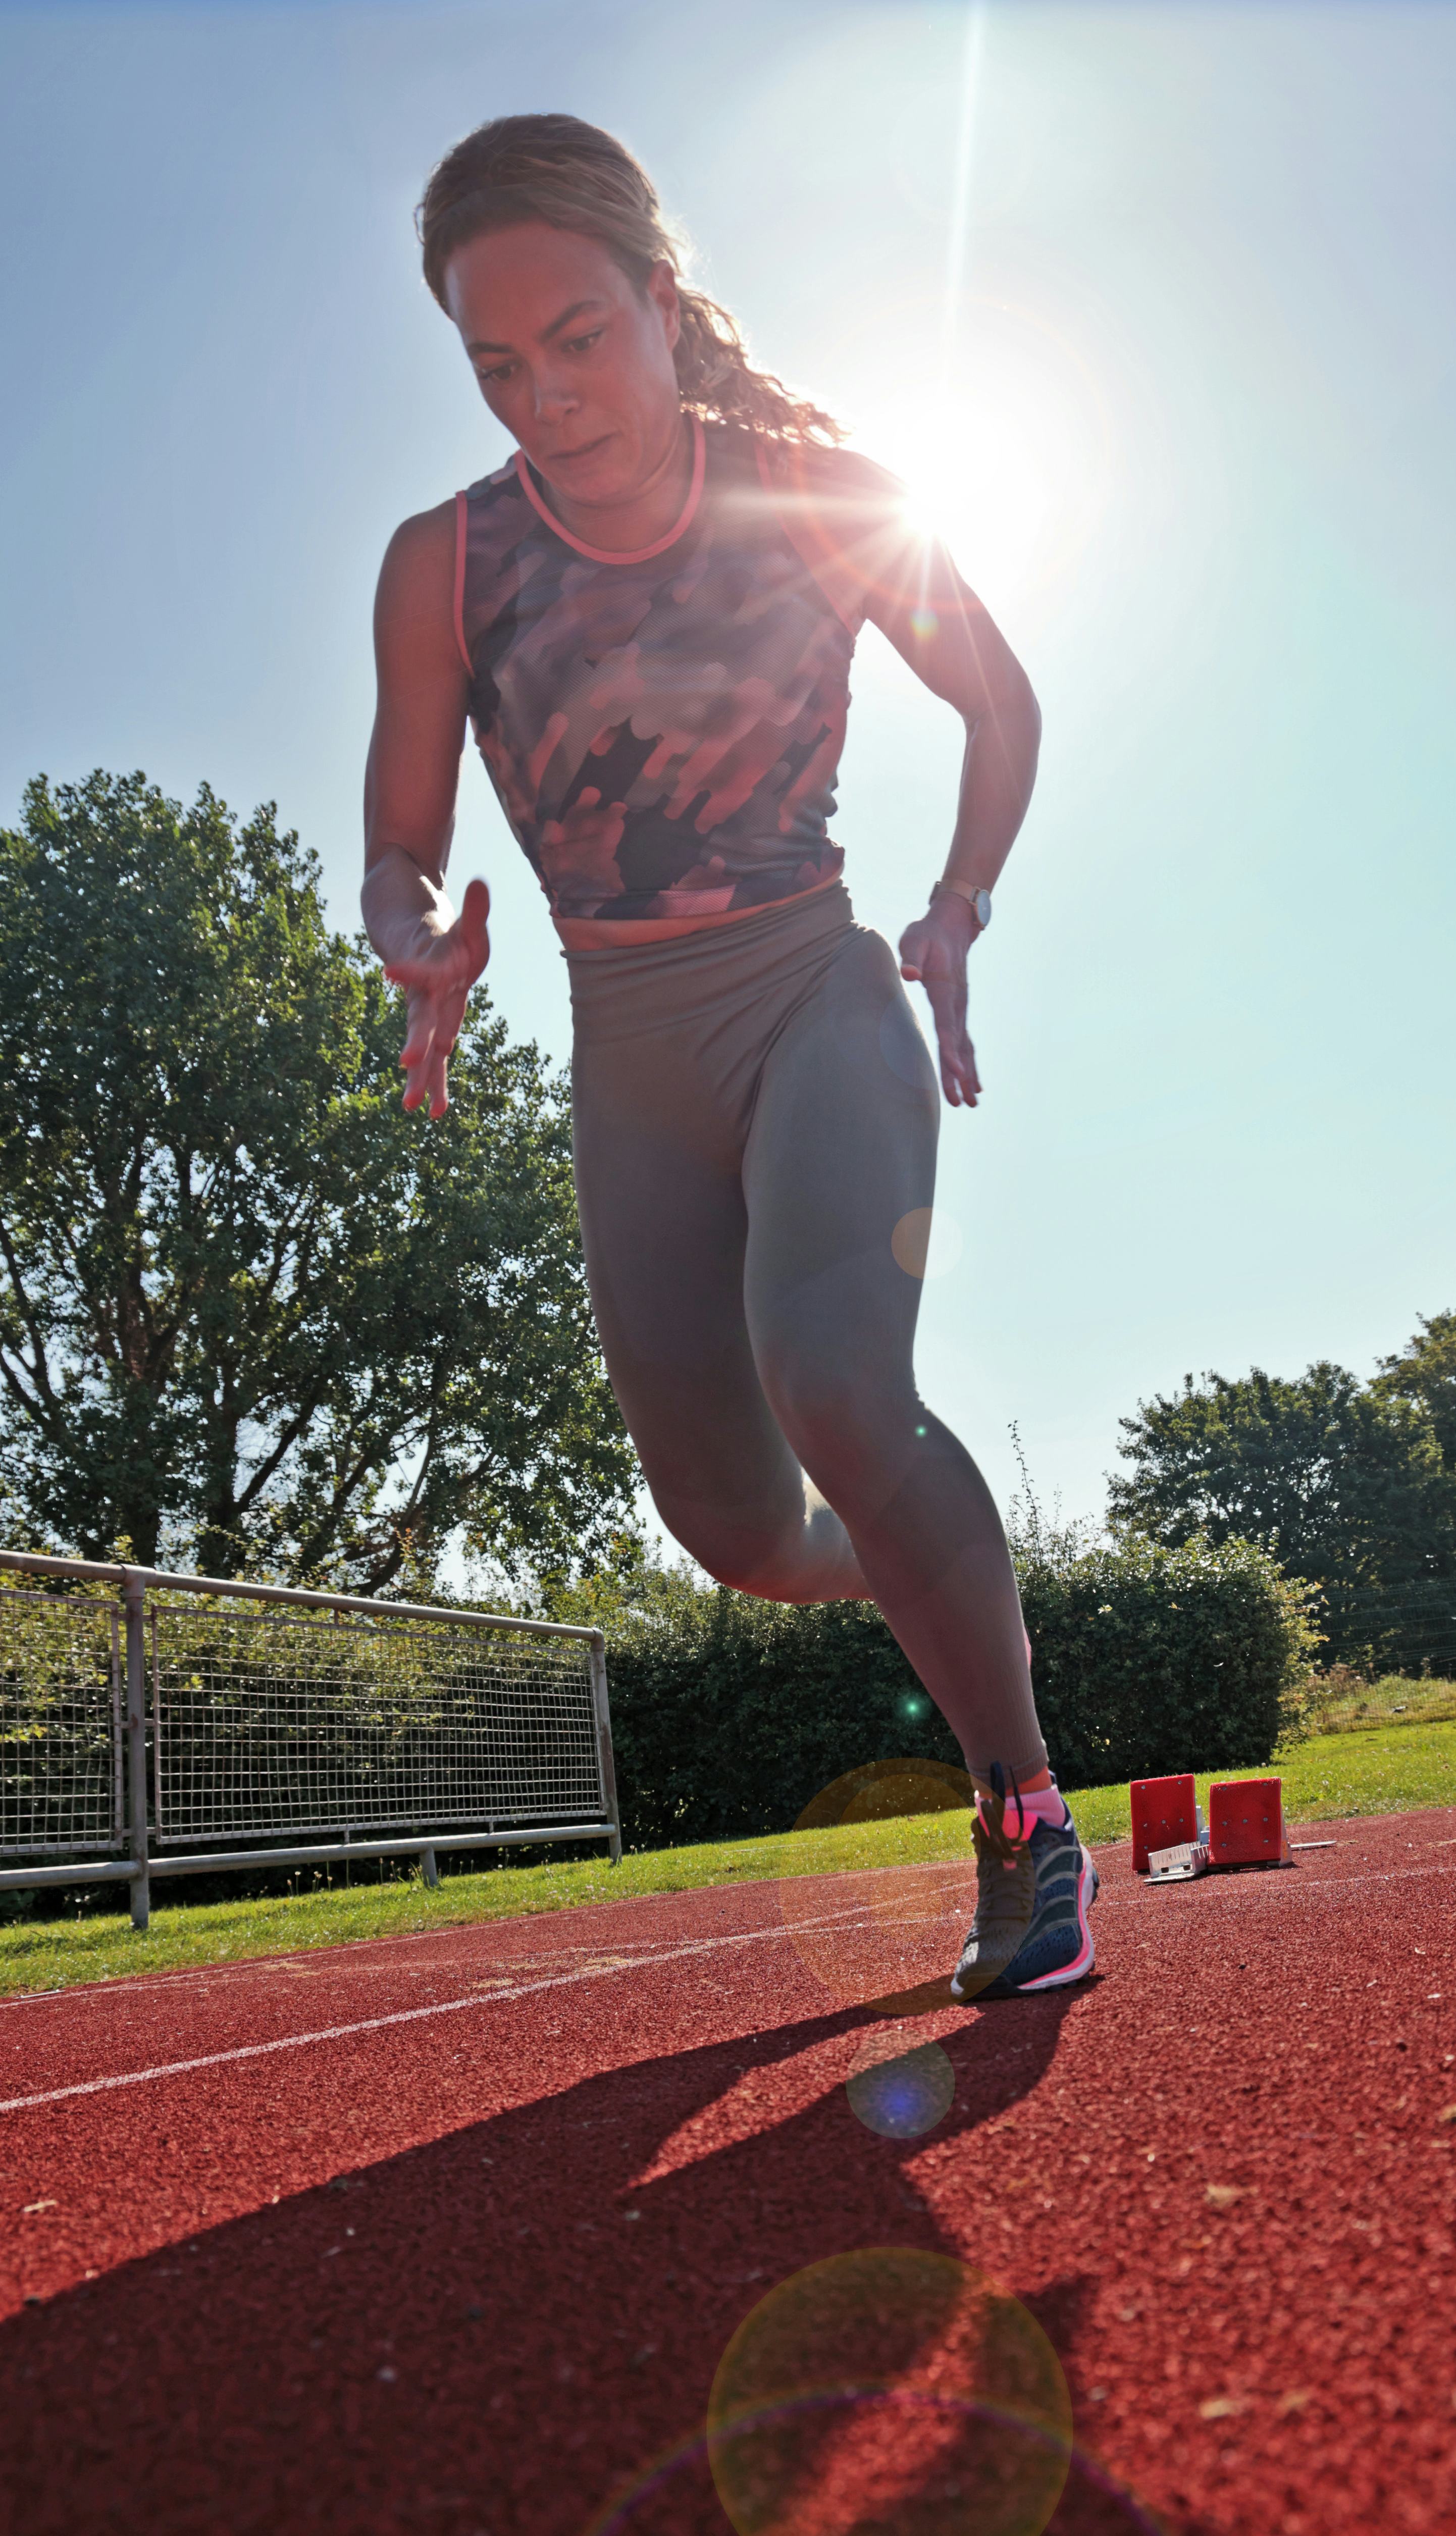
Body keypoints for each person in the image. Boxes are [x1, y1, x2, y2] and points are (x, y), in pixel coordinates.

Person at [361, 113, 1095, 2001]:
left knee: (836, 1372)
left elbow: (1001, 701)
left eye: (580, 336)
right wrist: (409, 935)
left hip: (815, 999)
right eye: (498, 364)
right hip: (629, 1063)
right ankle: (960, 1566)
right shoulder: (442, 562)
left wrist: (959, 903)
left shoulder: (823, 495)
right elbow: (400, 835)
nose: (547, 394)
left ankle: (1023, 1808)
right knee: (746, 1536)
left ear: (663, 310)